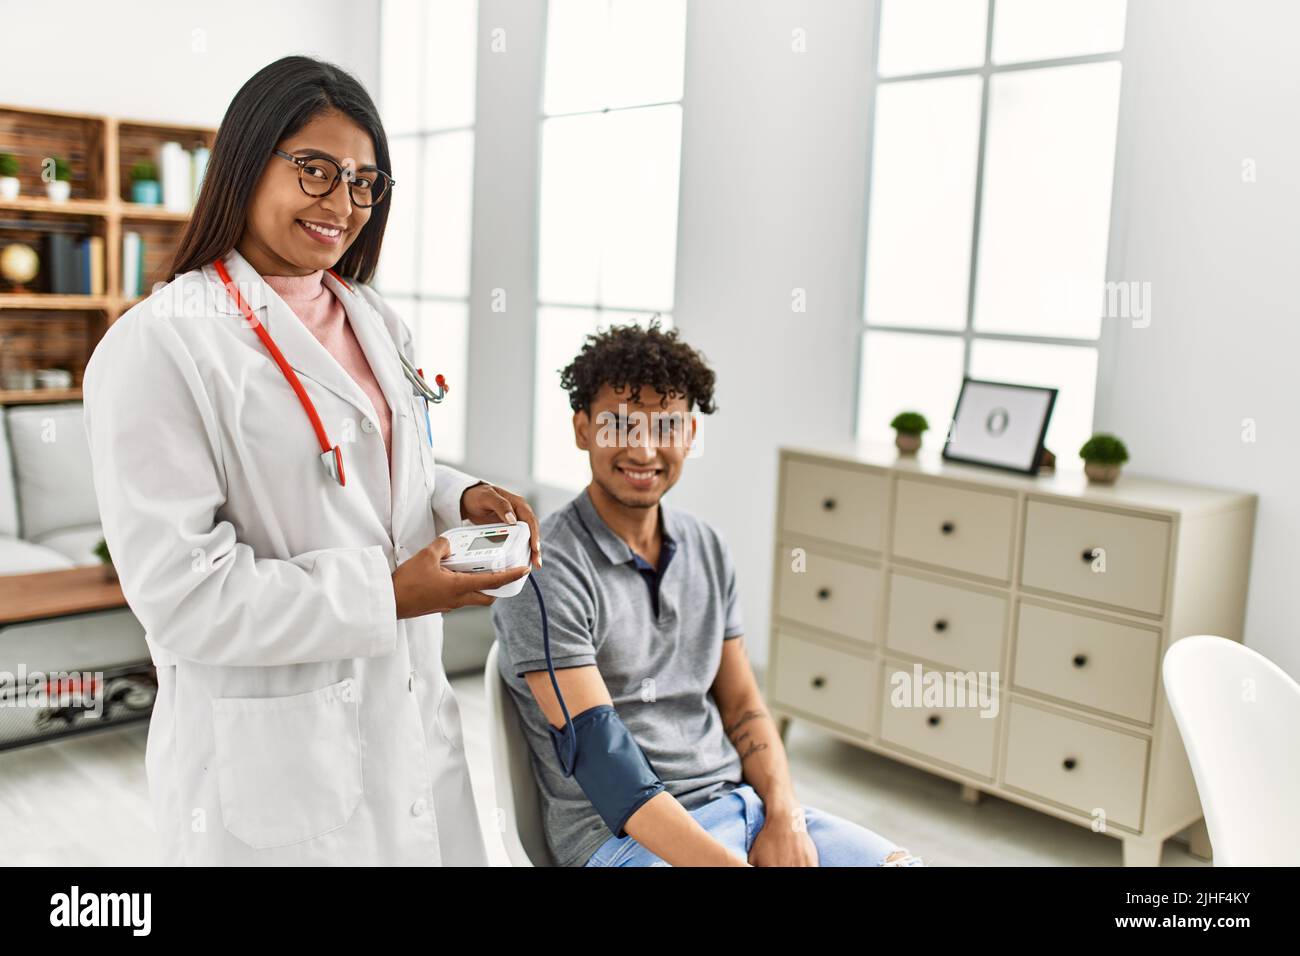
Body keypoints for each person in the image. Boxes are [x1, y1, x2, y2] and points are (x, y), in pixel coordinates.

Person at [83, 55, 538, 865]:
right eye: (316, 170)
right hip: (271, 760)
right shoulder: (160, 344)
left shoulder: (370, 317)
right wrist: (392, 594)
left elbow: (377, 467)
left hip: (408, 719)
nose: (342, 203)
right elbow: (183, 597)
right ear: (246, 161)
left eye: (365, 182)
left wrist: (458, 495)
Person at [492, 322, 921, 867]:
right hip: (624, 840)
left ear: (690, 435)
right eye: (618, 424)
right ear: (583, 429)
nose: (643, 449)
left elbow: (744, 707)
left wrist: (785, 816)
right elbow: (603, 759)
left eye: (666, 426)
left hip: (740, 807)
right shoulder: (544, 566)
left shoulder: (706, 547)